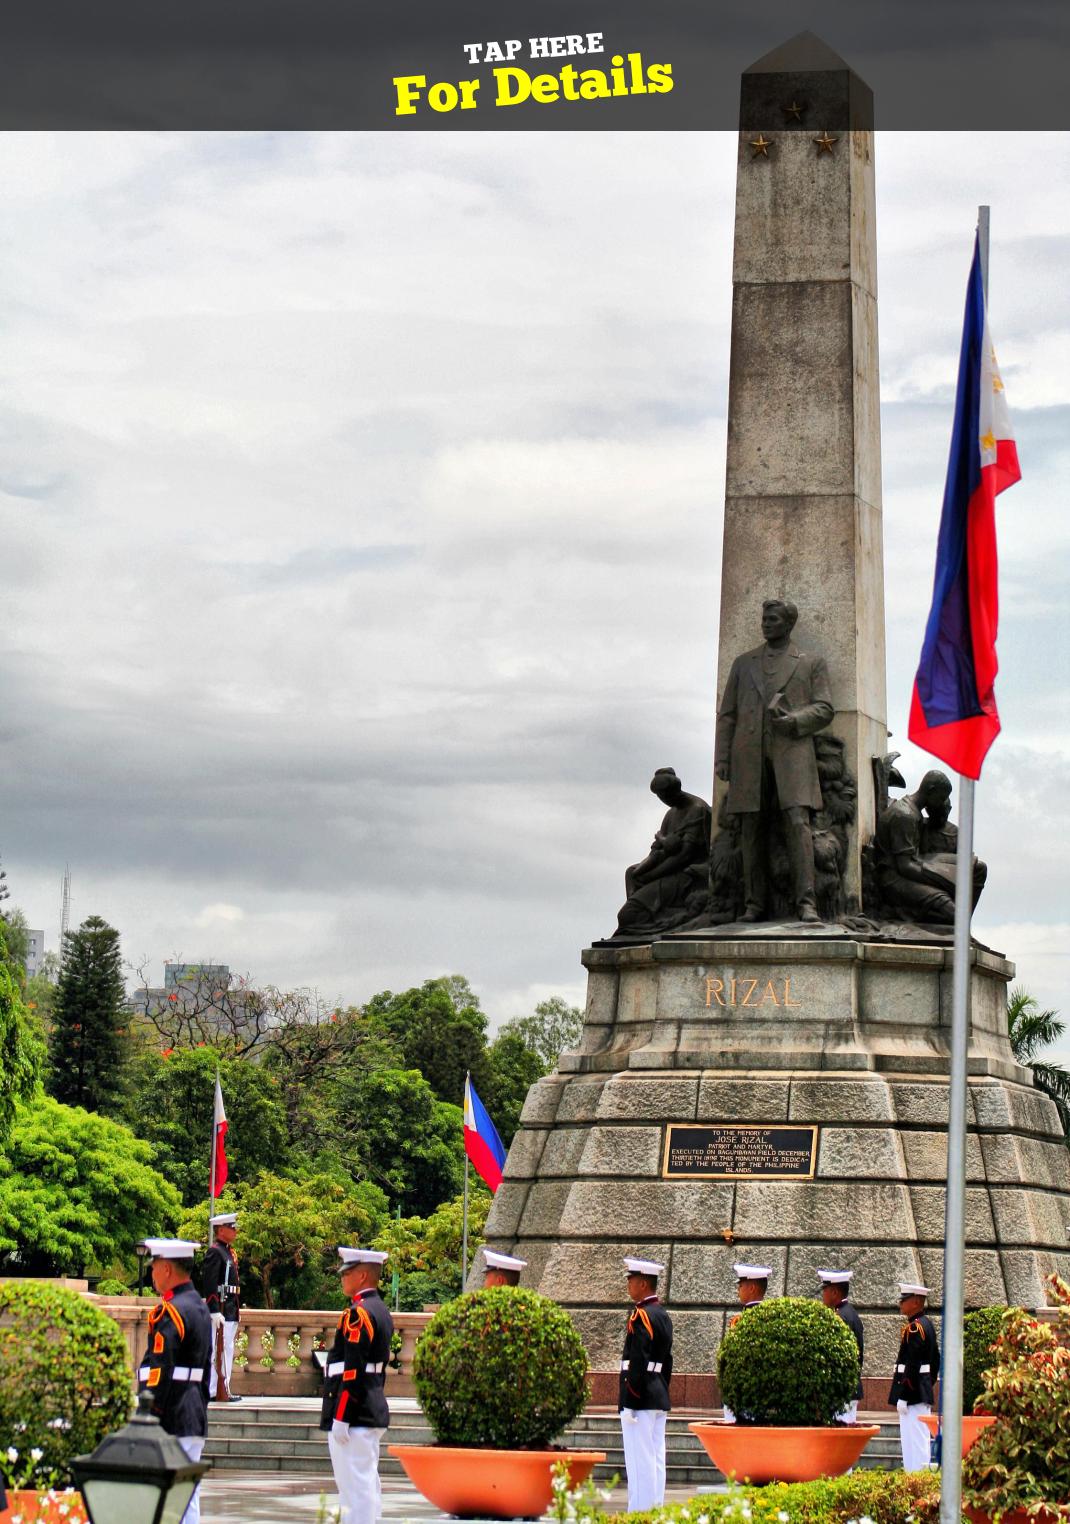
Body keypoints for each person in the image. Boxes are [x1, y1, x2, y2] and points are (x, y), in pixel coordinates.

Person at [715, 599, 834, 923]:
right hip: (748, 757)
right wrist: (723, 757)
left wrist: (794, 721)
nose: (766, 624)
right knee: (750, 828)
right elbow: (727, 715)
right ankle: (753, 904)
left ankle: (806, 903)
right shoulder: (743, 663)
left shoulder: (810, 663)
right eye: (764, 618)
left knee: (798, 824)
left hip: (791, 754)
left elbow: (824, 708)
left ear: (788, 623)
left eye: (773, 619)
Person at [137, 1238, 212, 1524]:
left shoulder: (171, 1311)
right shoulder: (200, 1308)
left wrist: (149, 1415)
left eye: (154, 1266)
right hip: (193, 1413)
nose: (152, 1273)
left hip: (170, 1416)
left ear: (167, 1269)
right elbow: (205, 1370)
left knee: (165, 1499)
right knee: (187, 1498)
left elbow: (160, 1369)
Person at [320, 1247, 393, 1524]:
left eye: (347, 1273)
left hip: (355, 1414)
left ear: (362, 1275)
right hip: (370, 1407)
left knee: (355, 1491)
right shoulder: (380, 1309)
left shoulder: (358, 1313)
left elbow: (352, 1372)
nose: (342, 1279)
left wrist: (342, 1416)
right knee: (366, 1484)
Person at [875, 770, 987, 923]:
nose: (943, 802)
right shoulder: (905, 815)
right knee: (955, 913)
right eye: (941, 797)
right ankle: (904, 914)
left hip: (916, 863)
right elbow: (905, 866)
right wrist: (946, 880)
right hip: (894, 879)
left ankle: (962, 925)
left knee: (977, 867)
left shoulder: (914, 813)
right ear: (931, 790)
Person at [614, 769, 712, 936]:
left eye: (664, 796)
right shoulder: (671, 812)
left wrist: (651, 876)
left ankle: (655, 921)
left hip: (688, 875)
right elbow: (657, 849)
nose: (664, 800)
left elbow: (685, 856)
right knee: (631, 872)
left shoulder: (697, 809)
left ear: (674, 791)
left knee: (627, 915)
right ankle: (640, 911)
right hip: (668, 867)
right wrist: (642, 870)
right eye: (660, 797)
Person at [618, 1256, 673, 1512]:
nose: (628, 1284)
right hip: (657, 1394)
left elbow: (638, 1361)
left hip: (639, 1398)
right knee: (655, 1458)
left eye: (631, 1280)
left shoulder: (642, 1315)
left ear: (643, 1284)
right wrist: (661, 1389)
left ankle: (639, 1514)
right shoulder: (662, 1315)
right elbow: (667, 1361)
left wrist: (629, 1399)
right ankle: (655, 1508)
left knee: (640, 1461)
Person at [889, 1281, 940, 1471]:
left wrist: (904, 1395)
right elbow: (935, 1360)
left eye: (905, 1299)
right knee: (914, 1441)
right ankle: (914, 1479)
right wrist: (928, 1383)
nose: (901, 1303)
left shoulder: (915, 1328)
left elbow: (912, 1364)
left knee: (915, 1442)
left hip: (913, 1395)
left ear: (917, 1302)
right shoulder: (925, 1325)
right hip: (920, 1391)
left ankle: (917, 1481)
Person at [721, 1263, 771, 1422]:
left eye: (741, 1286)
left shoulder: (742, 1321)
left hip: (742, 1392)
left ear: (752, 1288)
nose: (738, 1290)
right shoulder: (771, 1319)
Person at [203, 1211, 242, 1402]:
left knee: (226, 1350)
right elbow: (209, 1283)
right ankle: (213, 1389)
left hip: (230, 1308)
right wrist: (214, 1311)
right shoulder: (215, 1251)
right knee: (216, 1350)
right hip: (221, 1308)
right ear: (221, 1230)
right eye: (231, 1227)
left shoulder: (228, 1251)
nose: (235, 1231)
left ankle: (224, 1388)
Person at [817, 1269, 864, 1423]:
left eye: (825, 1290)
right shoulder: (849, 1313)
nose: (822, 1295)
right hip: (847, 1388)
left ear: (835, 1292)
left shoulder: (840, 1317)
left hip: (841, 1391)